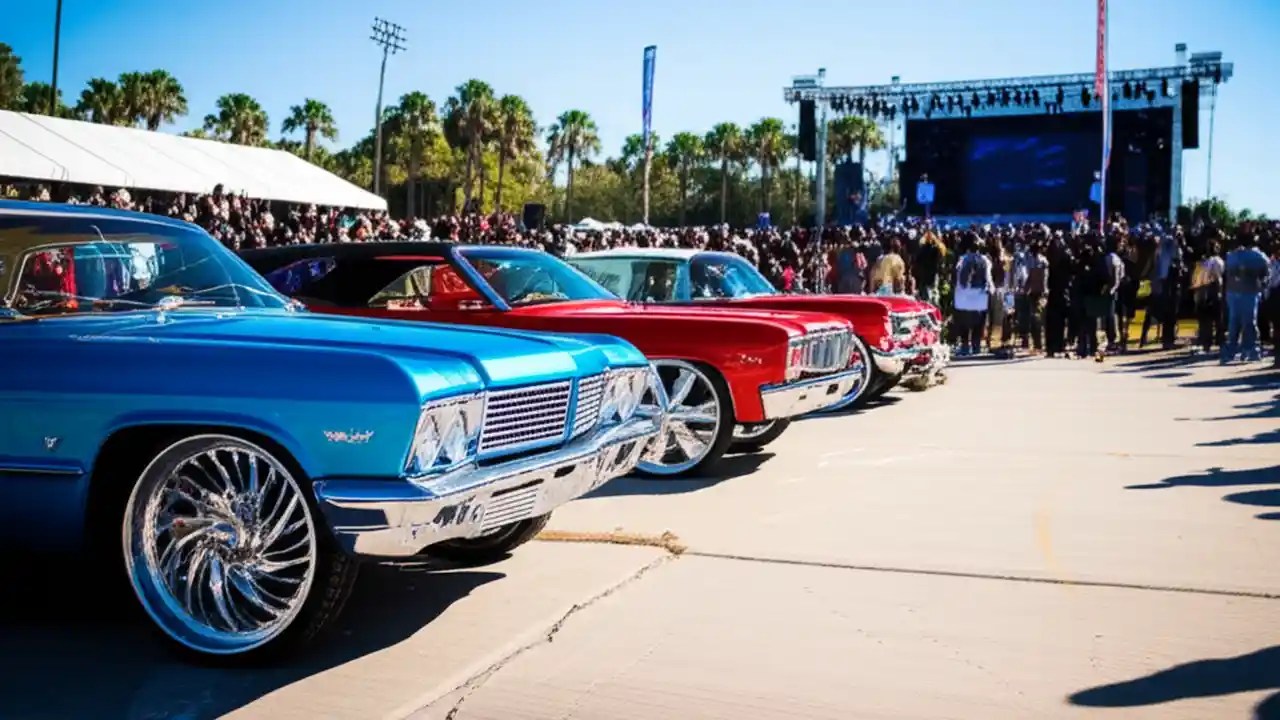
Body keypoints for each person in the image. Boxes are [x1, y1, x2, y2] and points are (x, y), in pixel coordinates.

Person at [1221, 231, 1271, 363]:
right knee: (1249, 322)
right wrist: (1263, 288)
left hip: (1233, 293)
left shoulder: (1231, 256)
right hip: (1250, 292)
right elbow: (1266, 274)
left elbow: (1227, 273)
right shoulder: (1259, 256)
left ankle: (1230, 352)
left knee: (1233, 323)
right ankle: (1251, 350)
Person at [953, 234, 993, 357]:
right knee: (978, 323)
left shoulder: (962, 259)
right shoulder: (985, 260)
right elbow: (988, 277)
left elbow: (958, 277)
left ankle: (965, 346)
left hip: (964, 295)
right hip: (980, 295)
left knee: (964, 323)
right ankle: (976, 346)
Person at [1190, 240, 1224, 355]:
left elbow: (1195, 280)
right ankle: (1218, 343)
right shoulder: (1217, 261)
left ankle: (1207, 344)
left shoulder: (1201, 263)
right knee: (1215, 319)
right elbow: (1219, 278)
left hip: (1202, 290)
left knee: (1206, 320)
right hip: (1211, 290)